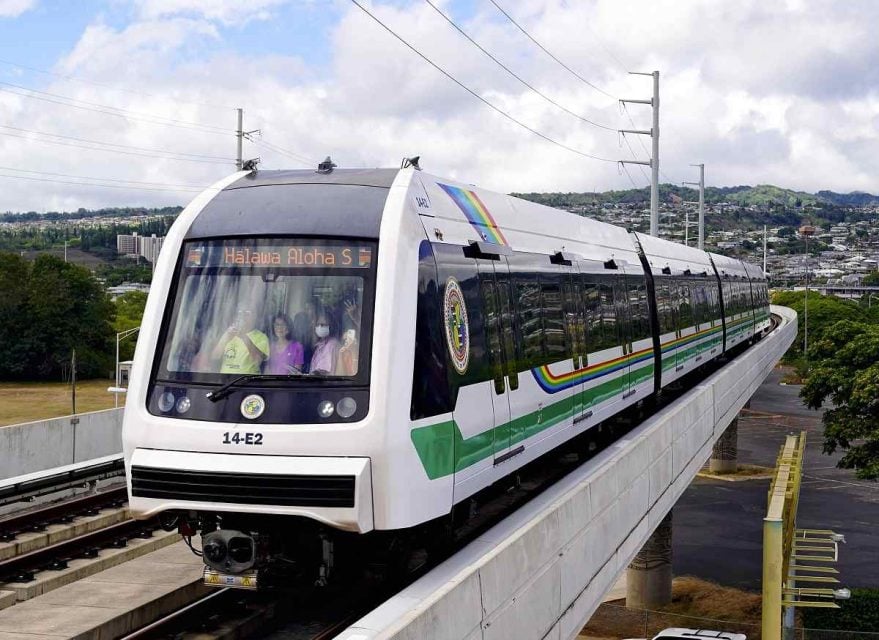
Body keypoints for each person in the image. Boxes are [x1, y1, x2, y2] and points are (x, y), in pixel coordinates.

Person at [211, 308, 269, 374]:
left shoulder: (261, 337)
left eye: (247, 314)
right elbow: (215, 356)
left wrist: (243, 336)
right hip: (226, 380)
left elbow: (258, 361)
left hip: (246, 381)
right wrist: (226, 337)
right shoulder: (228, 333)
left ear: (254, 317)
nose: (243, 317)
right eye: (240, 313)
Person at [309, 308, 340, 375]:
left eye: (322, 325)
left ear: (331, 326)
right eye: (317, 325)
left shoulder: (333, 344)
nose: (319, 327)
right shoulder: (319, 345)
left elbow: (327, 372)